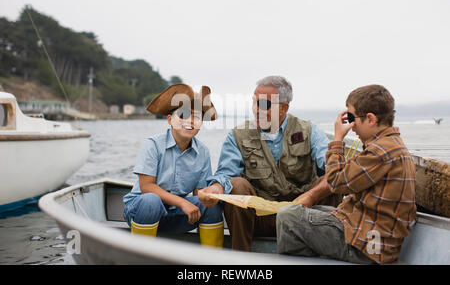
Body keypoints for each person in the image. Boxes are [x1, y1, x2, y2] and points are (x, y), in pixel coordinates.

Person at [276, 84, 416, 264]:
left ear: (371, 119)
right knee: (303, 210)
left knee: (288, 216)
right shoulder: (391, 145)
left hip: (366, 247)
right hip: (368, 235)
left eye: (351, 117)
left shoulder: (381, 152)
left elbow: (336, 182)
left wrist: (338, 139)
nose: (350, 125)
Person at [198, 75, 334, 251]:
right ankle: (240, 261)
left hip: (302, 214)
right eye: (254, 103)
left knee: (334, 178)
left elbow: (332, 168)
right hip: (261, 217)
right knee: (236, 184)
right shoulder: (238, 135)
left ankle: (328, 254)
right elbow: (226, 173)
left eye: (264, 105)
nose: (256, 110)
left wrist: (311, 197)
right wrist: (215, 188)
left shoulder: (309, 130)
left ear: (284, 108)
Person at [123, 84, 224, 247]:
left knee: (211, 205)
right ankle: (141, 256)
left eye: (197, 117)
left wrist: (212, 194)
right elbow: (147, 187)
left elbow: (199, 194)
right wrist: (183, 203)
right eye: (183, 115)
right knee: (151, 201)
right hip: (141, 211)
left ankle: (210, 258)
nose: (190, 121)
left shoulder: (203, 152)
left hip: (175, 215)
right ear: (170, 119)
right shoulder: (153, 144)